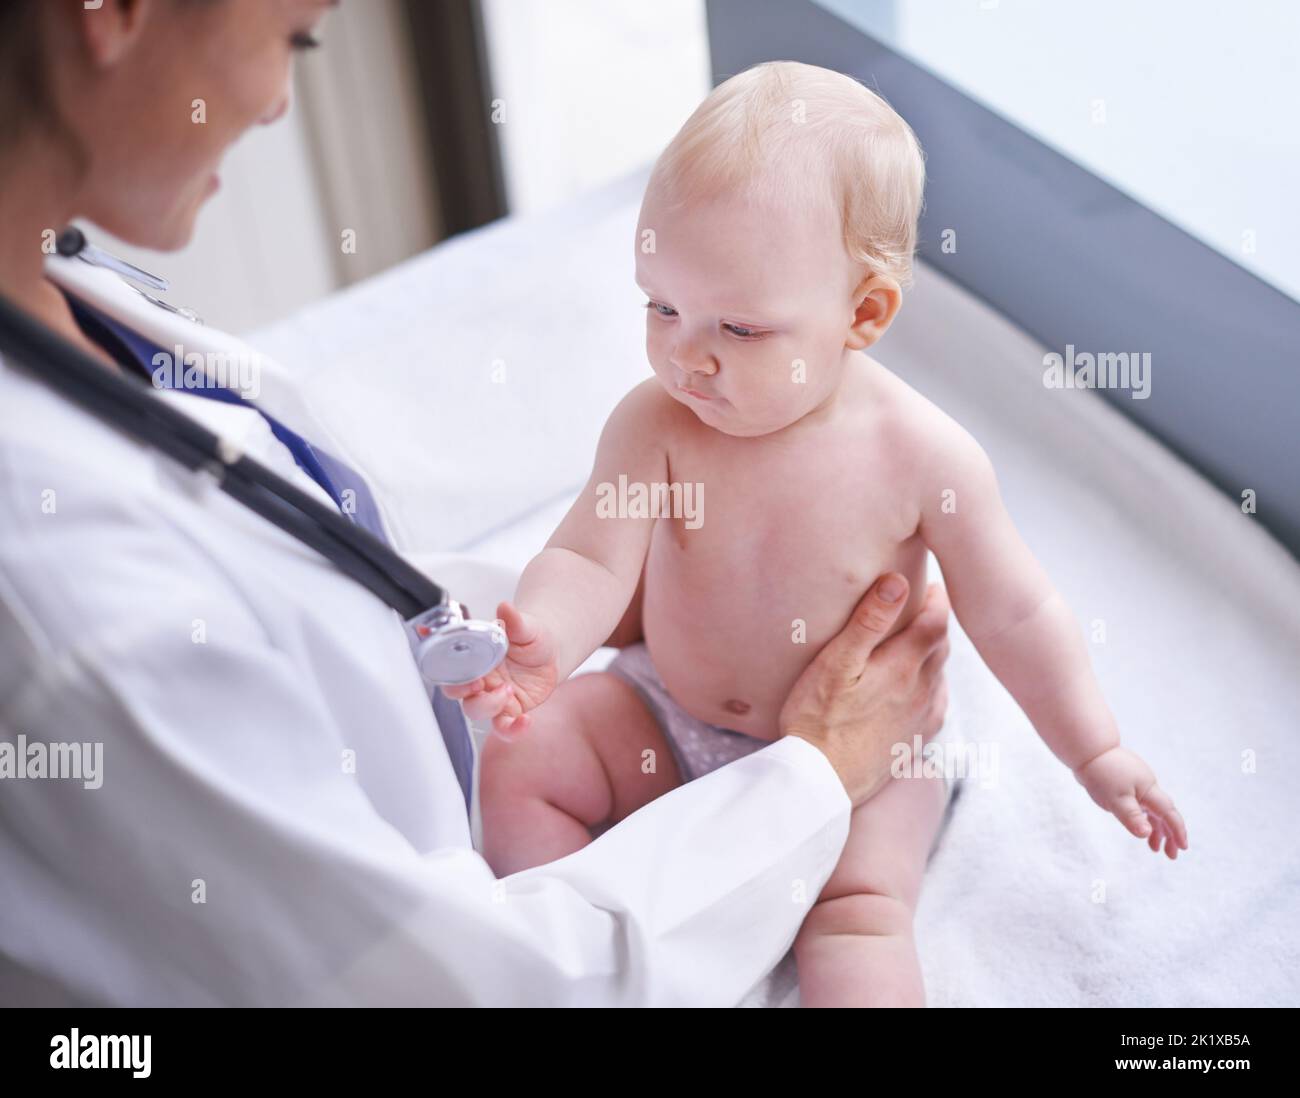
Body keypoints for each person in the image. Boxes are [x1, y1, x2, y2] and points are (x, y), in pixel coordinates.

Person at [0, 0, 952, 1006]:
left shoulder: (65, 288)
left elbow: (296, 574)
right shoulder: (70, 608)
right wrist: (810, 773)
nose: (282, 103)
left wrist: (657, 602)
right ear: (111, 11)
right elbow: (474, 990)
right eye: (297, 37)